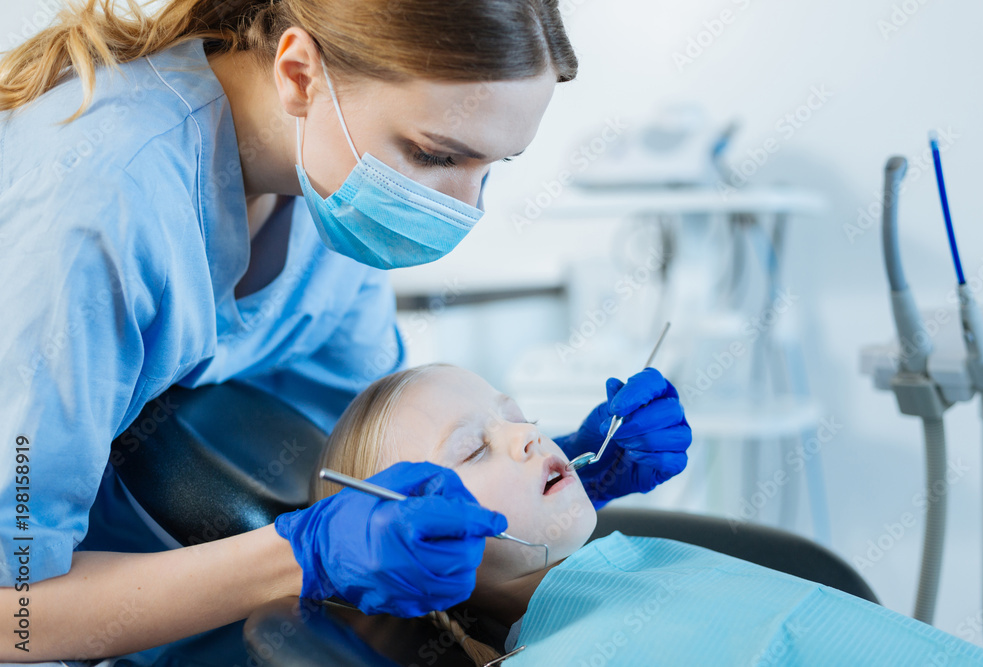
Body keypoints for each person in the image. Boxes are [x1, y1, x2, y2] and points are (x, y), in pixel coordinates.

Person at [0, 1, 694, 663]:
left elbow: (380, 477)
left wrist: (554, 478)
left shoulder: (327, 196)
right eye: (437, 155)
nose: (465, 208)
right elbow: (14, 613)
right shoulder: (99, 214)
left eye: (494, 167)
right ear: (300, 75)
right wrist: (303, 556)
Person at [307, 363, 983, 666]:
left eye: (516, 417)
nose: (527, 436)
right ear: (407, 553)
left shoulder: (628, 564)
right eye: (470, 448)